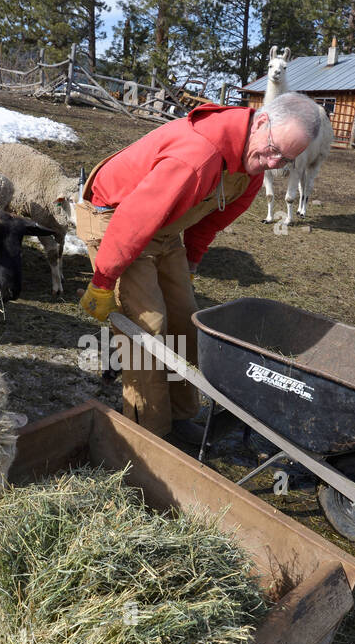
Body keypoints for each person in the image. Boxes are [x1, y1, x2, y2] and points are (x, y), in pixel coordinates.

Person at [76, 92, 317, 445]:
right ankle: (149, 432)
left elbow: (209, 221)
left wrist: (188, 266)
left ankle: (180, 415)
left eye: (286, 160)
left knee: (186, 318)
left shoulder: (249, 164)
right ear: (262, 122)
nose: (273, 163)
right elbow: (136, 218)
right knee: (148, 326)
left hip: (165, 228)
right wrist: (103, 281)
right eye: (273, 150)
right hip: (115, 220)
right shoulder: (198, 156)